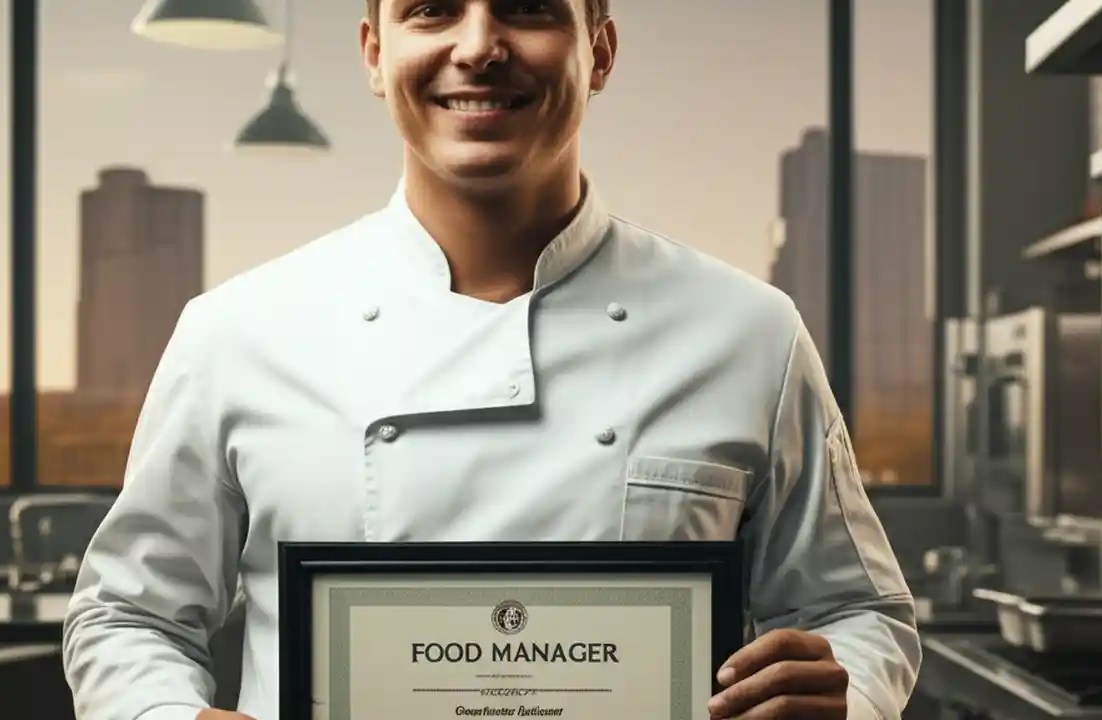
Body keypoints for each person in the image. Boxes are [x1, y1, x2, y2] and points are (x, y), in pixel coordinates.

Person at [61, 1, 921, 718]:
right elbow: (124, 614)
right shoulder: (237, 331)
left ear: (601, 51)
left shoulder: (751, 332)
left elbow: (859, 611)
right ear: (374, 51)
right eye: (432, 9)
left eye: (528, 8)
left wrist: (848, 697)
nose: (478, 46)